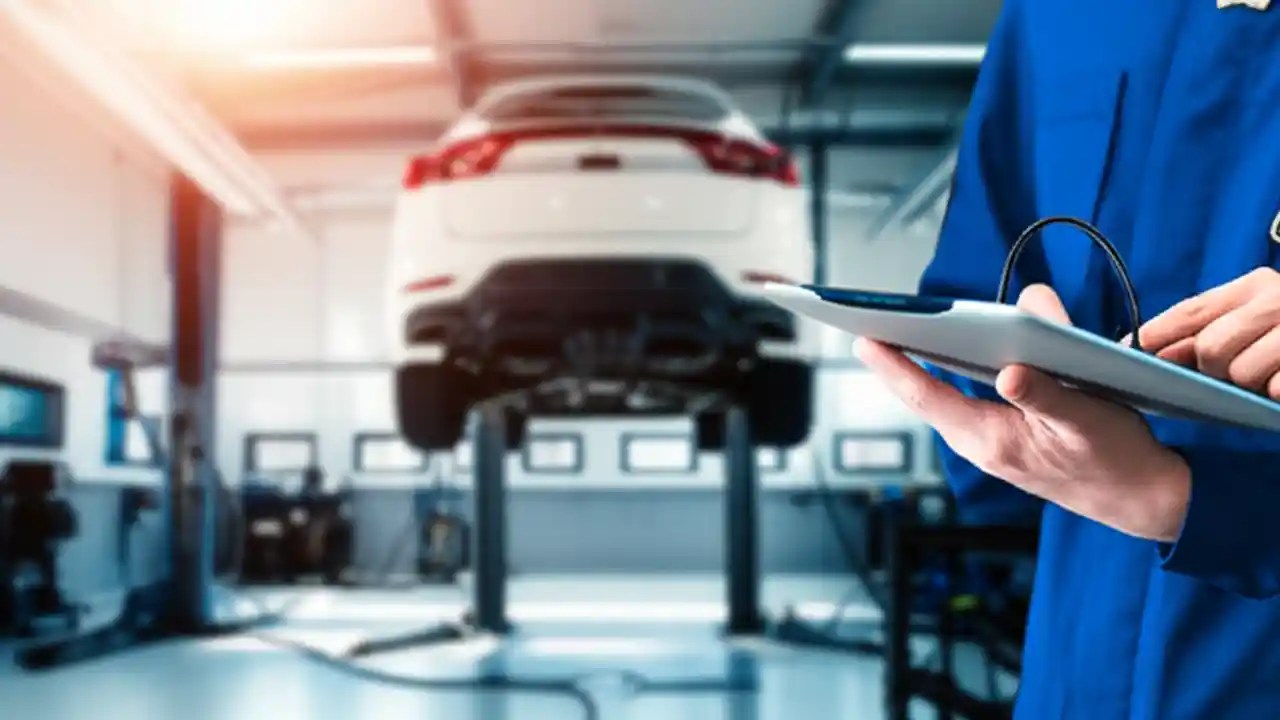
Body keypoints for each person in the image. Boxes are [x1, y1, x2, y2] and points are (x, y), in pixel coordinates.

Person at [853, 2, 1280, 717]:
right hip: (1077, 675)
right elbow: (978, 280)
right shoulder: (1055, 14)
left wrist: (1192, 506)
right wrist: (1008, 378)